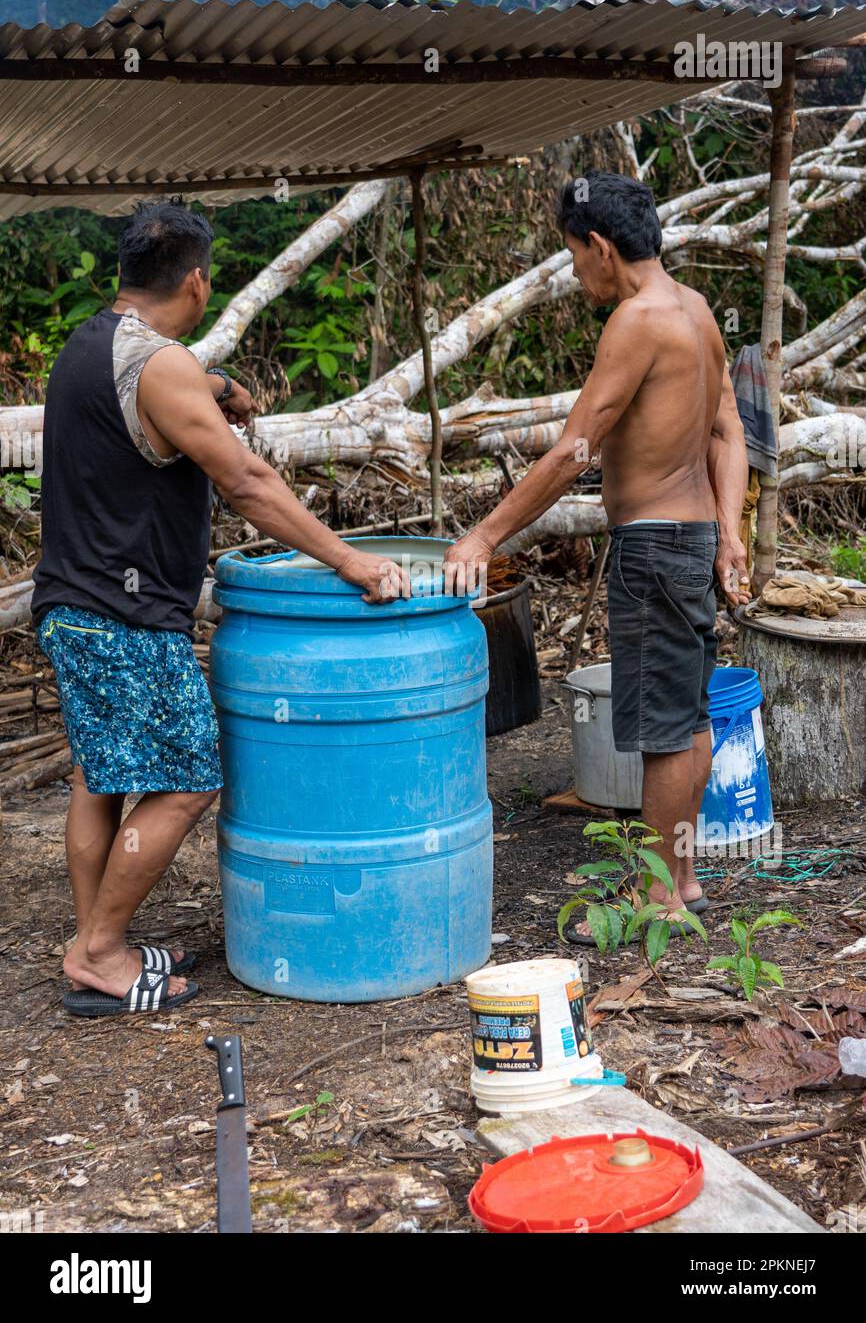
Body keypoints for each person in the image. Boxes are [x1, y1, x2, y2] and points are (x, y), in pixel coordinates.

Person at [31, 200, 408, 1016]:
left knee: (100, 781)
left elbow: (158, 386)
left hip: (71, 605)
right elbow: (247, 482)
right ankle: (100, 953)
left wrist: (220, 385)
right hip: (124, 617)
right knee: (188, 781)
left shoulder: (92, 344)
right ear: (197, 283)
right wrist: (350, 560)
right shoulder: (161, 367)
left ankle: (92, 936)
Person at [444, 170, 750, 933]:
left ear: (602, 247)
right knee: (691, 718)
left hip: (655, 550)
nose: (578, 270)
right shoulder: (698, 311)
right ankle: (680, 880)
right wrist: (731, 531)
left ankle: (651, 899)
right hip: (693, 539)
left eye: (575, 255)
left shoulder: (640, 320)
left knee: (659, 732)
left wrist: (485, 534)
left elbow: (575, 449)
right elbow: (728, 434)